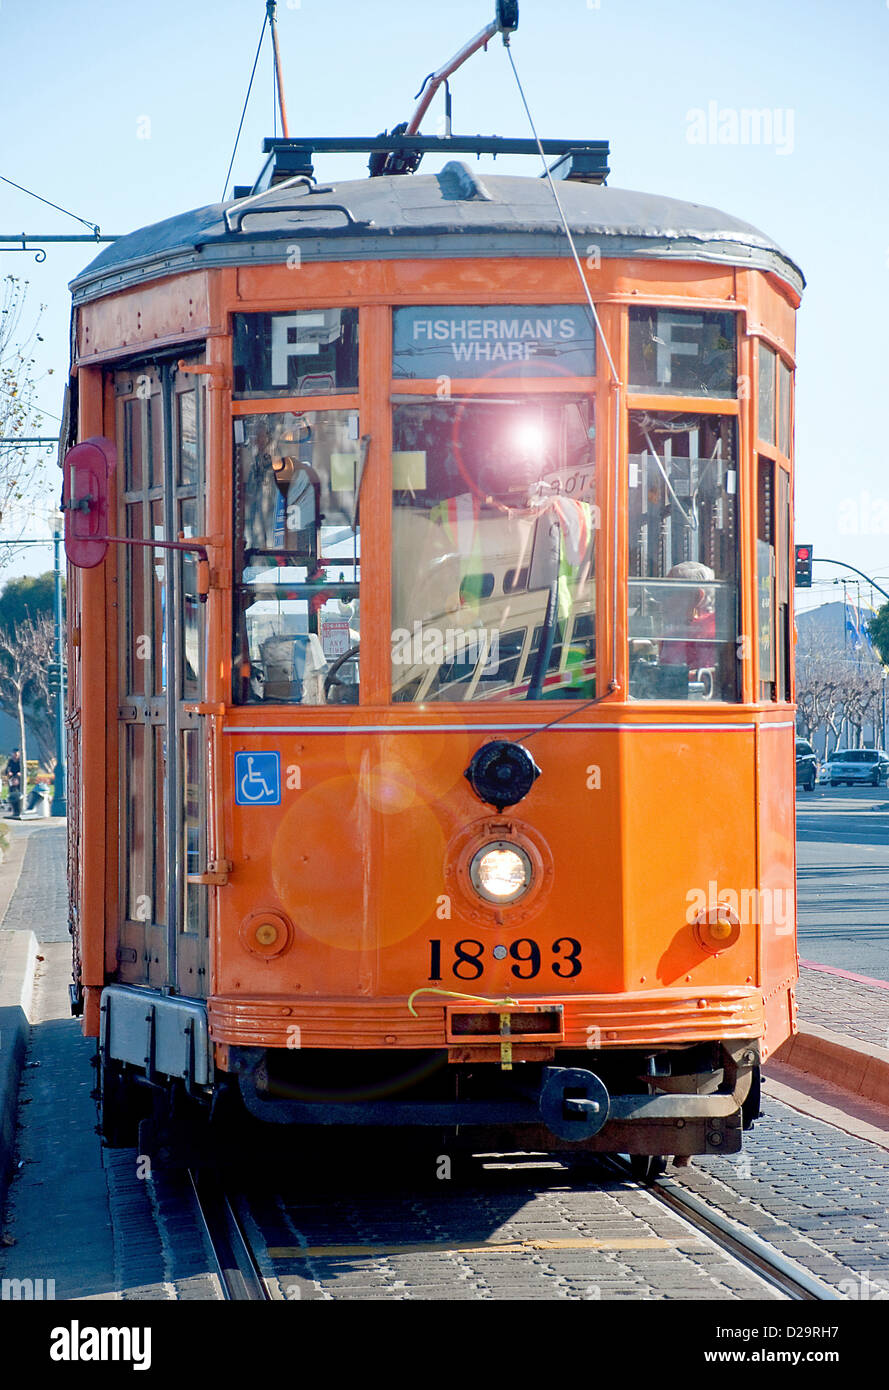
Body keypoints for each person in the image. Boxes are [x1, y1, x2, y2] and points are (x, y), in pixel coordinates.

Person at [658, 561, 717, 671]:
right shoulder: (671, 636)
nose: (662, 601)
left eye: (668, 593)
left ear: (696, 597)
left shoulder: (713, 636)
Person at [5, 749, 23, 819]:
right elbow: (7, 769)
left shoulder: (20, 761)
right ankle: (12, 806)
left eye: (16, 754)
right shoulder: (11, 761)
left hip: (19, 778)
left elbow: (23, 769)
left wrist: (19, 773)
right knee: (11, 791)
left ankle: (19, 807)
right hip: (12, 778)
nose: (15, 756)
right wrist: (8, 773)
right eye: (14, 754)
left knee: (19, 792)